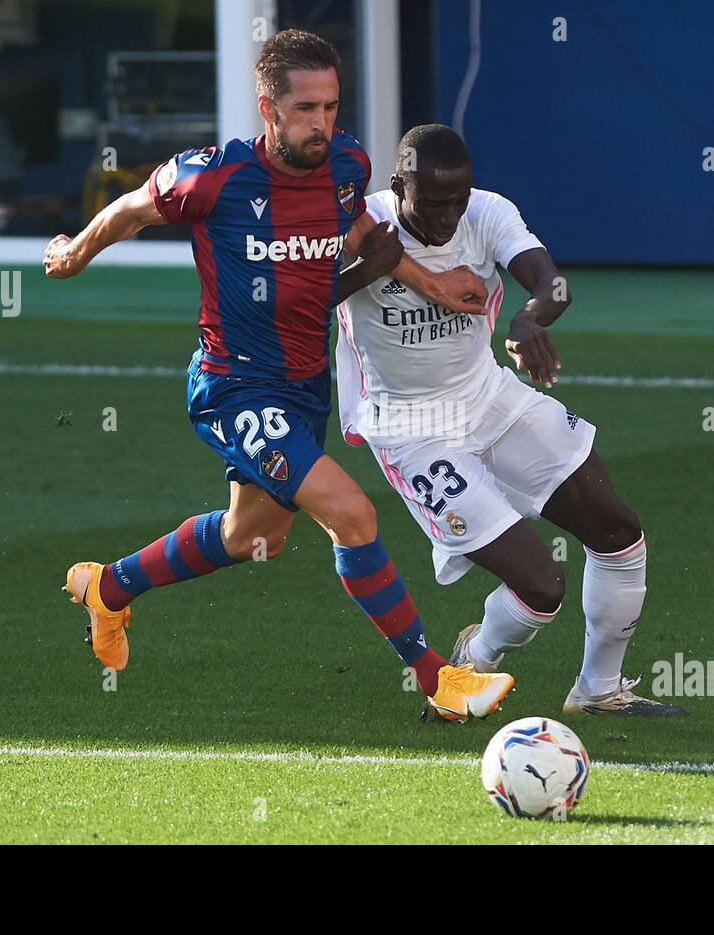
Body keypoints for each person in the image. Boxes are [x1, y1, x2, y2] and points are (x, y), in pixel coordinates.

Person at [42, 33, 513, 721]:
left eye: (330, 106)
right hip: (233, 385)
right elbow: (132, 208)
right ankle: (439, 676)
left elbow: (354, 235)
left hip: (302, 385)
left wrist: (431, 280)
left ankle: (108, 587)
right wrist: (73, 253)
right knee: (351, 514)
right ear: (268, 107)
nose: (321, 122)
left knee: (250, 536)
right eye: (304, 108)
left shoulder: (348, 164)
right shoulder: (213, 177)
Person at [336, 124, 687, 718]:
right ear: (398, 187)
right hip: (412, 431)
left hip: (491, 398)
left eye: (458, 199)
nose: (450, 216)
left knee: (617, 532)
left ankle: (599, 690)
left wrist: (530, 318)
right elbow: (294, 300)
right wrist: (370, 269)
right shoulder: (358, 229)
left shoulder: (488, 212)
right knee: (541, 586)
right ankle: (471, 667)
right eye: (434, 202)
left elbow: (554, 282)